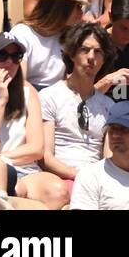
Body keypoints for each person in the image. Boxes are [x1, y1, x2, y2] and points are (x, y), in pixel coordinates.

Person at [0, 31, 66, 208]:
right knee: (17, 188)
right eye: (2, 55)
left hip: (23, 168)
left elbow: (36, 149)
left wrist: (4, 158)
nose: (9, 62)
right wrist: (1, 100)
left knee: (58, 192)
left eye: (16, 56)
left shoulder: (28, 91)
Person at [40, 22, 115, 187]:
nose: (91, 57)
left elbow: (109, 157)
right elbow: (45, 156)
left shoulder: (109, 106)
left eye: (98, 52)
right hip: (60, 179)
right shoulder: (49, 96)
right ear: (72, 54)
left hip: (98, 181)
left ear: (104, 60)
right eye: (84, 49)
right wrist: (77, 175)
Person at [8, 0, 84, 90]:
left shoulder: (69, 38)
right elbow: (19, 84)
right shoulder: (22, 34)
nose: (81, 13)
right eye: (77, 7)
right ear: (62, 8)